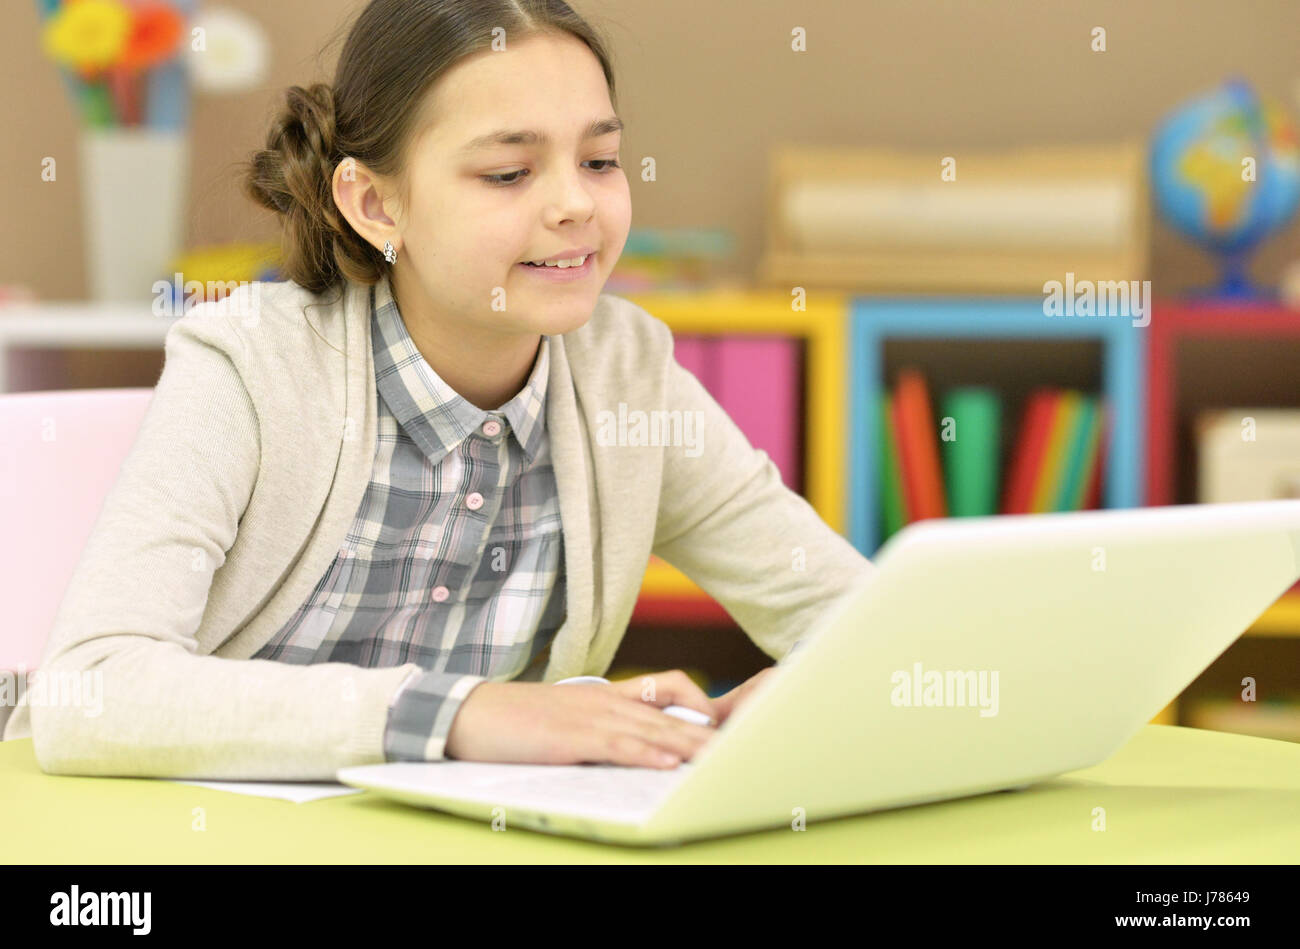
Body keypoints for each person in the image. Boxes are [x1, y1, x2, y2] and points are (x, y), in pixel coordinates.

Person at [7, 0, 876, 780]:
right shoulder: (248, 367)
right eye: (509, 173)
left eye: (601, 159)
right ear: (376, 204)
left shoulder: (625, 375)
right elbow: (90, 692)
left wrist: (810, 690)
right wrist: (456, 714)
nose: (576, 204)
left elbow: (856, 616)